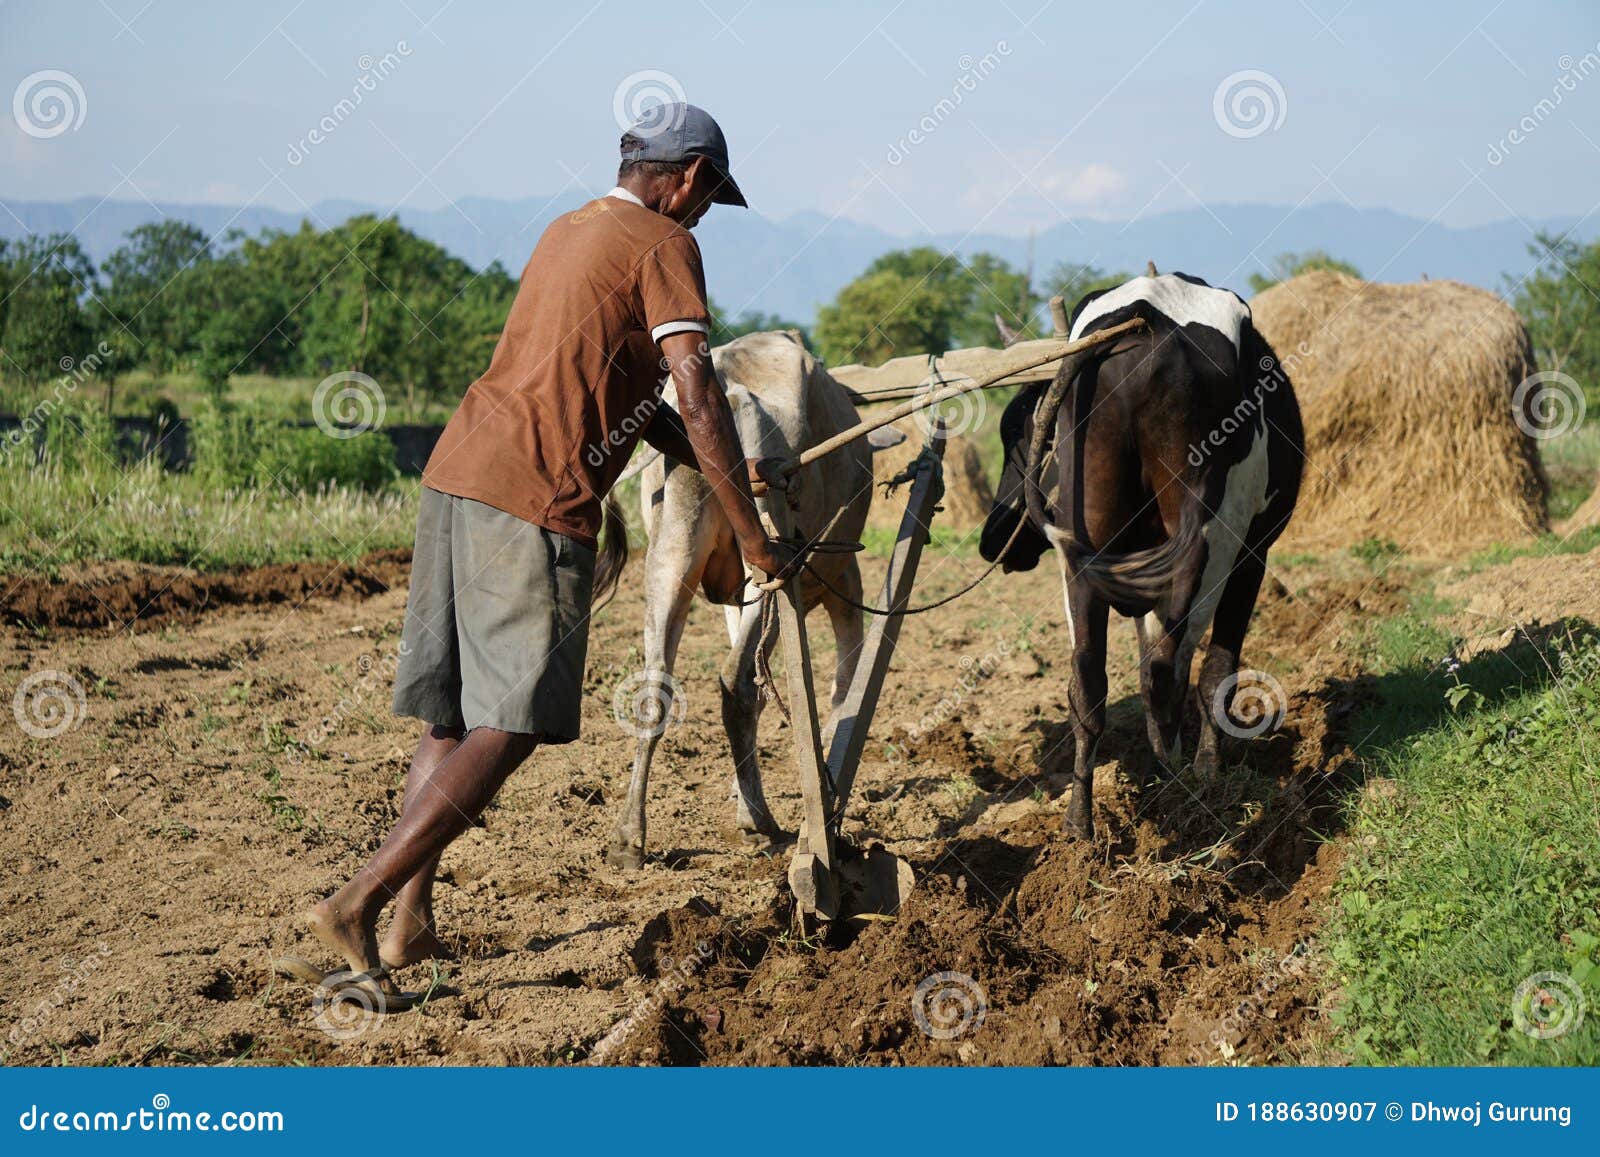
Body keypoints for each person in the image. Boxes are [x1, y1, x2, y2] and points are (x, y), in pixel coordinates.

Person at [302, 103, 793, 1006]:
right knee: (517, 717)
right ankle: (357, 900)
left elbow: (643, 401)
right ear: (685, 177)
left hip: (459, 473)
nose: (703, 215)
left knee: (449, 715)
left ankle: (409, 924)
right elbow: (694, 384)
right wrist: (754, 537)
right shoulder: (663, 244)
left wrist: (732, 468)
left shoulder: (571, 230)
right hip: (536, 496)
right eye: (710, 197)